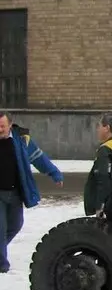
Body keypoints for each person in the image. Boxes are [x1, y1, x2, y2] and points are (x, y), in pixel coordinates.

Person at [0, 111, 64, 274]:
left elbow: (38, 158)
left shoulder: (22, 140)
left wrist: (54, 173)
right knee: (0, 228)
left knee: (15, 225)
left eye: (2, 126)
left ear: (10, 125)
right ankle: (2, 264)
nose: (0, 129)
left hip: (15, 193)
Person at [83, 113, 112, 219]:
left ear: (107, 128)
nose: (97, 129)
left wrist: (100, 205)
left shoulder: (105, 149)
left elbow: (103, 177)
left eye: (99, 126)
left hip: (109, 206)